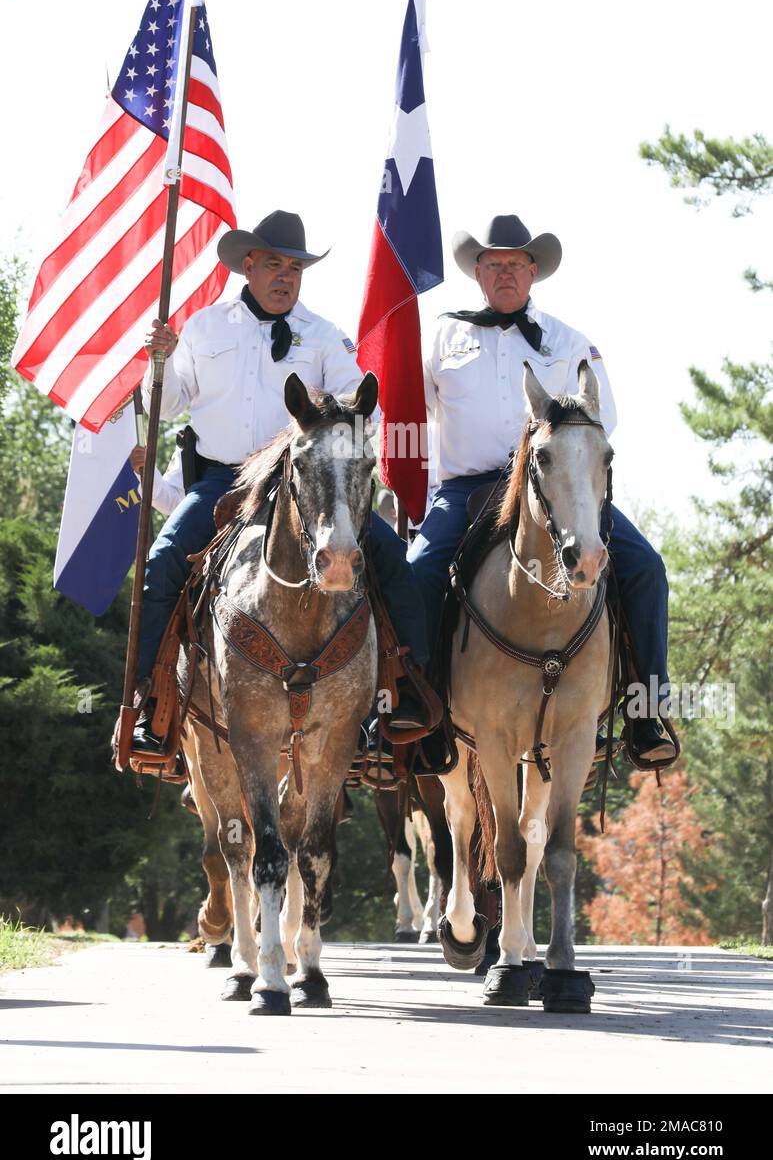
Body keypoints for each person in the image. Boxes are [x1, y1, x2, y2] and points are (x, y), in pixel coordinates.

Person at [130, 209, 428, 756]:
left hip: (304, 484)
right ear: (249, 266)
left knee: (389, 559)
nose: (284, 276)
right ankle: (148, 704)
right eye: (273, 264)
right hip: (223, 484)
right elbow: (170, 403)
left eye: (294, 267)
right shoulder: (203, 327)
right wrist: (160, 362)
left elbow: (368, 410)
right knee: (163, 560)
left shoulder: (325, 337)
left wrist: (329, 432)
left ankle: (405, 697)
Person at [407, 213, 676, 765]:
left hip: (559, 489)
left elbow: (606, 421)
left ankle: (645, 712)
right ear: (477, 272)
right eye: (494, 264)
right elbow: (405, 413)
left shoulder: (570, 341)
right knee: (417, 572)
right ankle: (419, 705)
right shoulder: (440, 337)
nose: (505, 273)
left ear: (533, 273)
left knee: (646, 567)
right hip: (467, 489)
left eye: (516, 264)